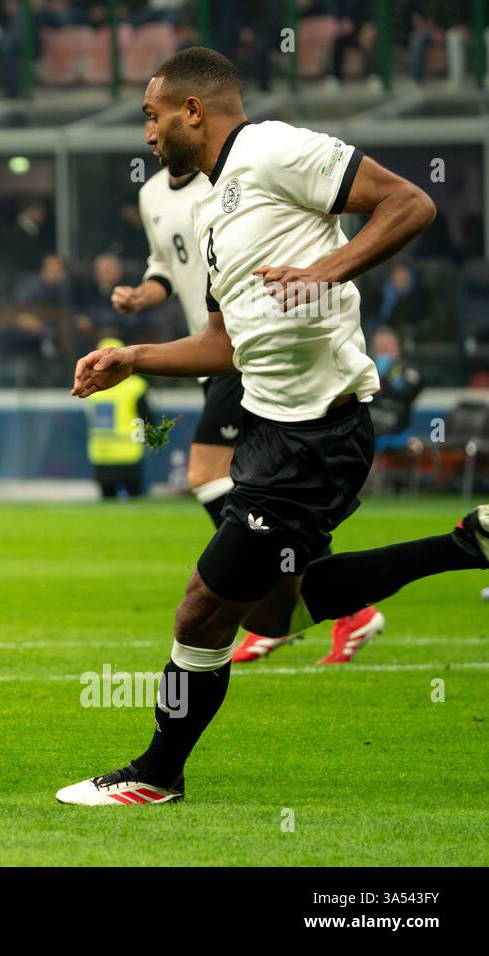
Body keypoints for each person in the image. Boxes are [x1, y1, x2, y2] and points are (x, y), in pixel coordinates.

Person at [60, 47, 485, 806]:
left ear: (195, 110)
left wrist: (331, 269)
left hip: (317, 437)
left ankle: (156, 775)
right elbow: (224, 344)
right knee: (273, 607)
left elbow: (410, 204)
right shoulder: (217, 213)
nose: (148, 136)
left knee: (202, 606)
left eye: (153, 116)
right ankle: (465, 544)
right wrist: (136, 356)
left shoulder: (274, 149)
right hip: (267, 429)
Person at [112, 162, 385, 666]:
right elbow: (164, 269)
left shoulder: (229, 183)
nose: (152, 131)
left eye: (158, 115)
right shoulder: (151, 194)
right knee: (255, 490)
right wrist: (141, 296)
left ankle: (301, 605)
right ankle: (298, 604)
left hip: (242, 346)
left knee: (207, 474)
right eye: (146, 118)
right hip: (209, 350)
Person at [84, 336, 151, 499]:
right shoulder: (136, 386)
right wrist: (146, 440)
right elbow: (146, 418)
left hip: (101, 454)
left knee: (108, 506)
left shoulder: (90, 386)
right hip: (129, 454)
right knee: (137, 505)